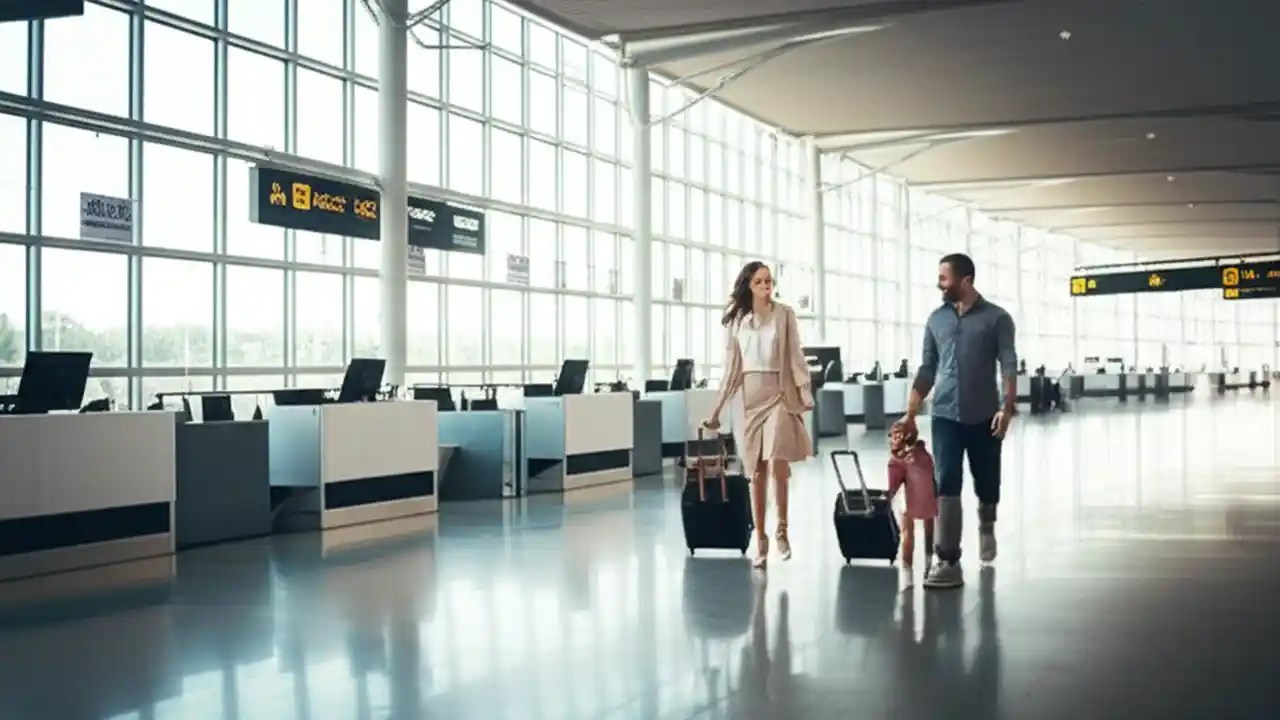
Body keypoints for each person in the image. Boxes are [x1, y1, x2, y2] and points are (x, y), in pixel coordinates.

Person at [895, 253, 1016, 589]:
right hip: (945, 413)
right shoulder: (936, 320)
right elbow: (927, 368)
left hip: (985, 415)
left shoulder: (997, 319)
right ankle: (948, 558)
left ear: (966, 280)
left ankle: (987, 524)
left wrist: (1007, 407)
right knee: (947, 481)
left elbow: (1008, 363)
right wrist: (910, 411)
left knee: (987, 481)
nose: (939, 284)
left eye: (944, 278)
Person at [704, 260, 813, 570]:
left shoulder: (785, 314)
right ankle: (761, 539)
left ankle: (782, 530)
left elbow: (795, 356)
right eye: (760, 282)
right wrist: (715, 412)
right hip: (751, 401)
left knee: (777, 457)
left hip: (779, 395)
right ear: (749, 286)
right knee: (757, 472)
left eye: (769, 281)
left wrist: (804, 392)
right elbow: (731, 372)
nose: (767, 286)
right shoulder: (738, 322)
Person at [887, 423, 937, 575]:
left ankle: (907, 570)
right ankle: (930, 561)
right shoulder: (926, 456)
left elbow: (893, 489)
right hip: (930, 496)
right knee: (929, 527)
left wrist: (886, 498)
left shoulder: (896, 461)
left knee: (907, 529)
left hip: (909, 499)